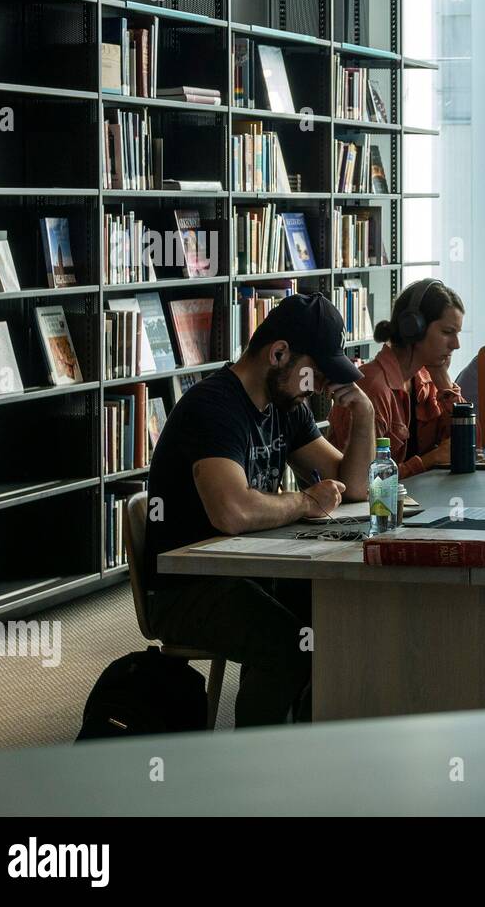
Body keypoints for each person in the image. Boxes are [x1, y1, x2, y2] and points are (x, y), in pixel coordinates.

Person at [144, 293, 376, 727]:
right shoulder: (213, 408)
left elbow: (356, 486)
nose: (321, 386)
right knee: (292, 648)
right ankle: (254, 769)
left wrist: (363, 411)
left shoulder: (285, 405)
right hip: (186, 587)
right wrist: (305, 501)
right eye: (316, 374)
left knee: (335, 620)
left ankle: (306, 751)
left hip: (249, 572)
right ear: (279, 353)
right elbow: (231, 511)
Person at [329, 278, 466, 478]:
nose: (456, 344)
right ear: (414, 329)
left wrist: (444, 382)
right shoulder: (372, 388)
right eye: (447, 332)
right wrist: (430, 460)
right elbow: (365, 482)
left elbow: (471, 449)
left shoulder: (427, 379)